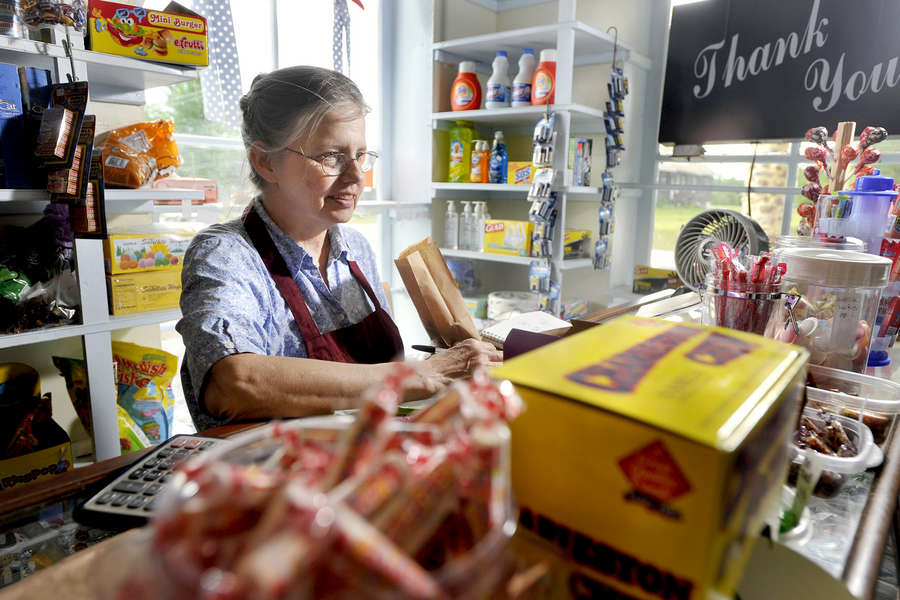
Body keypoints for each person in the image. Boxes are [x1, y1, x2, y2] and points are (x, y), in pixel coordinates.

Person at [177, 66, 501, 431]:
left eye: (361, 155)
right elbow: (234, 383)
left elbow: (377, 374)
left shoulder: (356, 249)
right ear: (266, 161)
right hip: (277, 472)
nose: (357, 177)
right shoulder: (226, 254)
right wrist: (422, 375)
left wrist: (452, 363)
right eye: (332, 156)